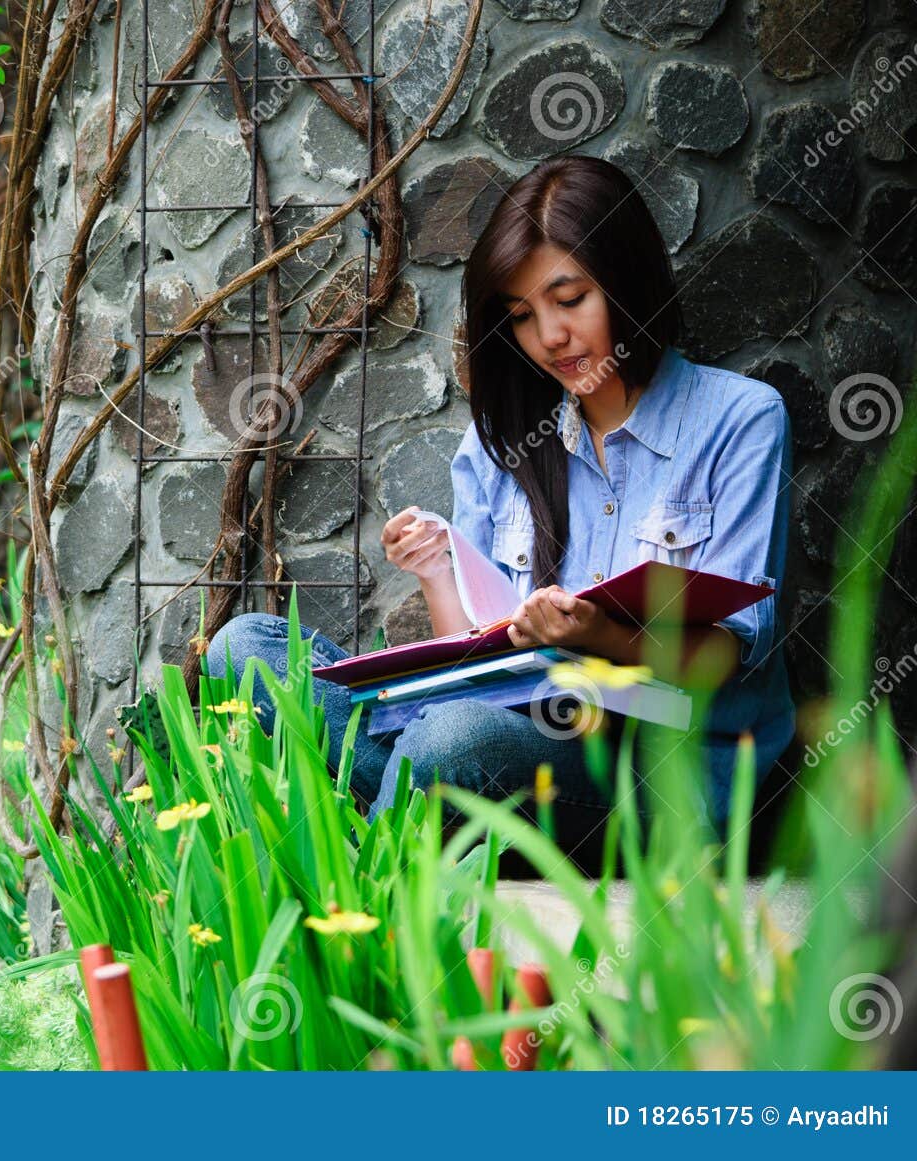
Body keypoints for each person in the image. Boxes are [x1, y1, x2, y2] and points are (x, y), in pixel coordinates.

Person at [205, 155, 795, 853]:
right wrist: (438, 570)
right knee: (243, 648)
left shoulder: (741, 420)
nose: (549, 337)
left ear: (625, 277)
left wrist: (594, 636)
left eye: (570, 299)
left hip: (661, 773)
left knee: (451, 738)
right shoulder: (503, 444)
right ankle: (404, 805)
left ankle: (368, 885)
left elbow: (726, 658)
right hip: (509, 733)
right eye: (521, 316)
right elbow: (473, 661)